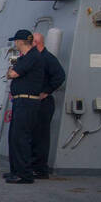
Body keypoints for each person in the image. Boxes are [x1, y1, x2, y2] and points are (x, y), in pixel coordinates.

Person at [3, 29, 42, 184]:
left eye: (16, 42)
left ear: (20, 42)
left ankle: (24, 174)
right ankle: (16, 170)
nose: (15, 44)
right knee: (14, 137)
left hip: (27, 103)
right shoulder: (26, 58)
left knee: (21, 138)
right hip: (21, 102)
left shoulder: (32, 57)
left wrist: (10, 71)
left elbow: (12, 74)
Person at [31, 30, 67, 179]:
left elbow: (59, 76)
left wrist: (46, 91)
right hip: (33, 102)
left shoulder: (47, 59)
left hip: (43, 103)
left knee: (40, 136)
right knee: (32, 134)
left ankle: (40, 169)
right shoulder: (36, 58)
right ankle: (31, 165)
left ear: (36, 43)